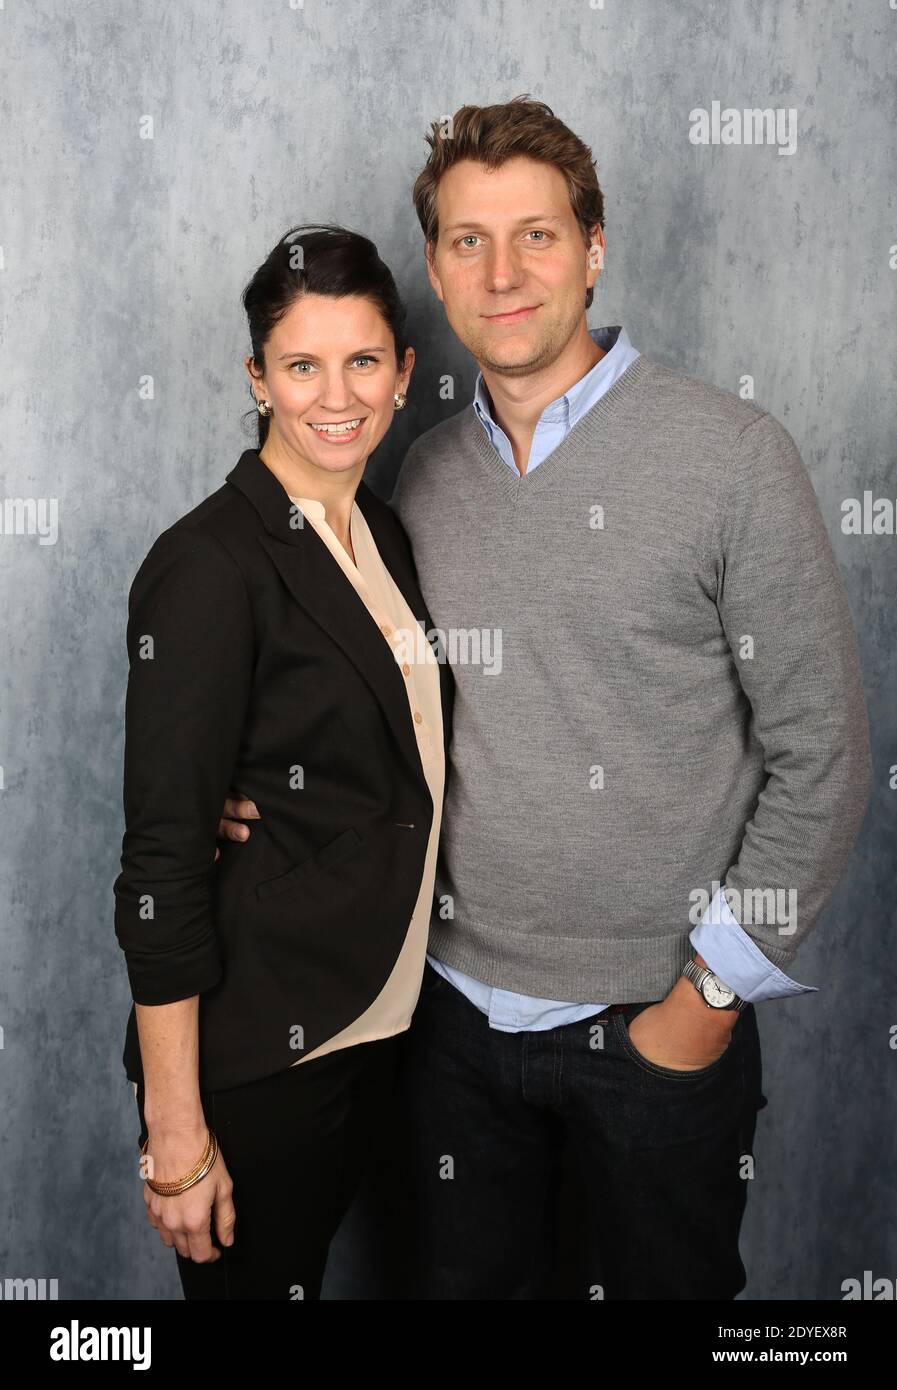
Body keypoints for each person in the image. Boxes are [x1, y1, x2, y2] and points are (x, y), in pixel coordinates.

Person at [220, 98, 873, 1300]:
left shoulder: (730, 456)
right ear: (436, 267)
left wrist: (710, 995)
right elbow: (382, 710)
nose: (504, 272)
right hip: (450, 1024)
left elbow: (824, 752)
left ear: (595, 248)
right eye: (469, 241)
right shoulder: (419, 476)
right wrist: (253, 795)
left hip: (656, 1025)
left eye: (537, 235)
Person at [113, 224, 452, 1300]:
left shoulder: (384, 535)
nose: (335, 394)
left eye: (363, 361)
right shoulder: (209, 564)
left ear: (404, 371)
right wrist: (176, 1133)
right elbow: (161, 869)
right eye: (302, 364)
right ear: (257, 377)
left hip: (384, 1027)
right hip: (266, 1054)